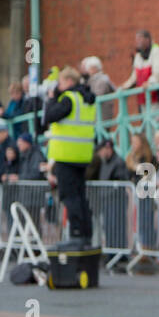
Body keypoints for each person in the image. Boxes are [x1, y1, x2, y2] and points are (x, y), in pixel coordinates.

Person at [42, 67, 98, 244]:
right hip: (82, 154)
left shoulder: (69, 98)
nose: (59, 86)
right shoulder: (86, 99)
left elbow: (49, 116)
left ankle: (75, 233)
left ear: (69, 82)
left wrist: (52, 98)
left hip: (66, 155)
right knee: (80, 196)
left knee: (69, 195)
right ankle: (86, 234)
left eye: (61, 82)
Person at [120, 30, 159, 108]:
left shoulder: (156, 51)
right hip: (143, 97)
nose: (137, 41)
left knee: (154, 118)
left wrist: (149, 83)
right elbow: (134, 77)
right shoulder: (138, 55)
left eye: (140, 39)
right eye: (136, 39)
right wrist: (125, 86)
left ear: (147, 39)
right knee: (145, 119)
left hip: (155, 94)